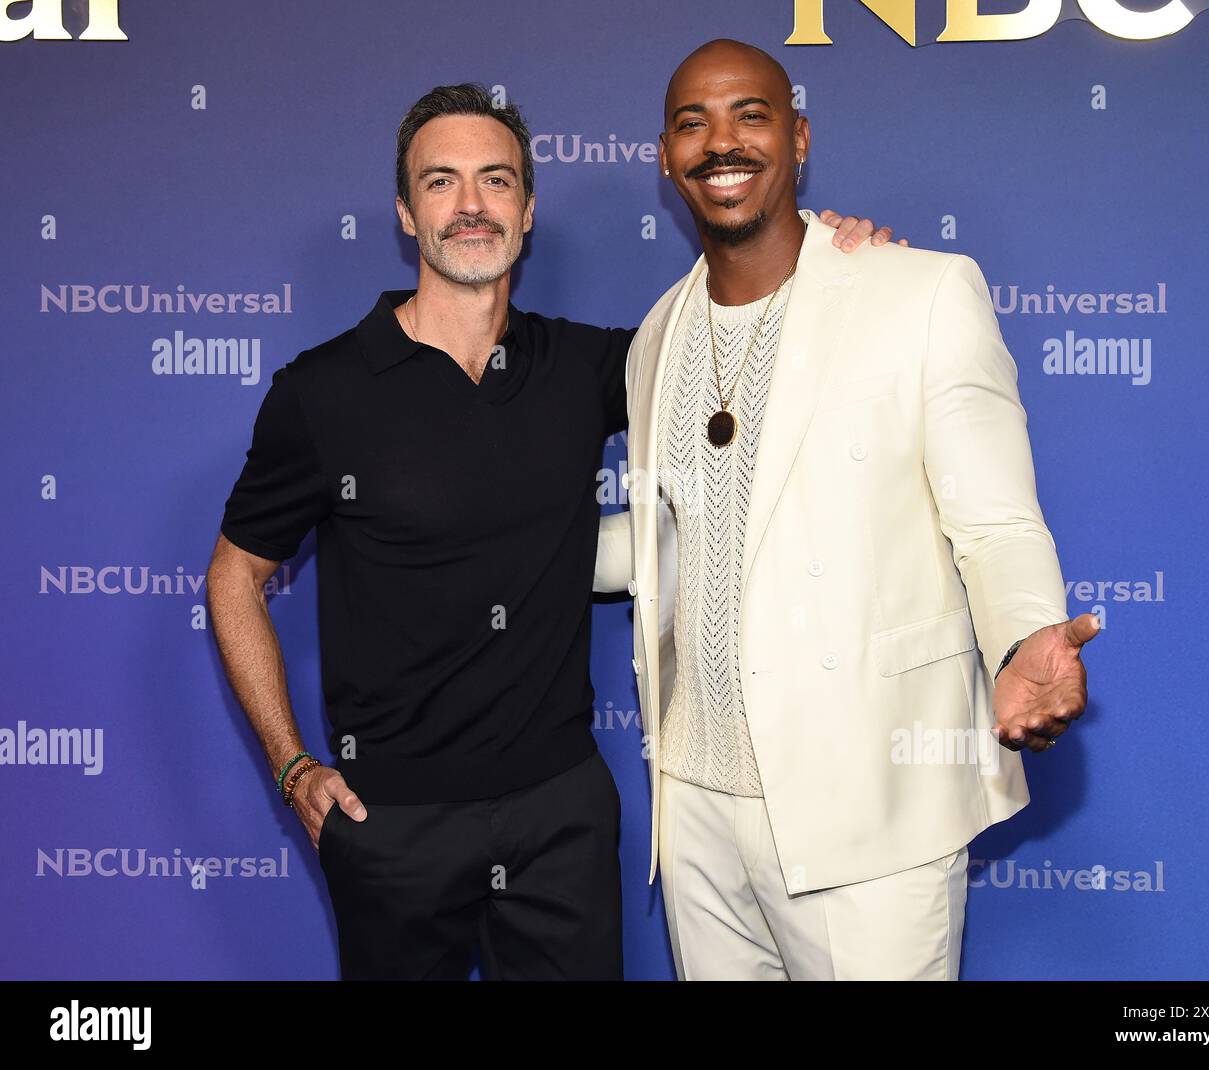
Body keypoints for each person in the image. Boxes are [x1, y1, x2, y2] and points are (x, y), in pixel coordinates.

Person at [206, 81, 893, 981]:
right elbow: (233, 575)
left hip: (561, 815)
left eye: (495, 181)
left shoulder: (592, 365)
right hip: (389, 824)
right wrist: (295, 769)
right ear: (406, 215)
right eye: (441, 182)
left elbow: (742, 334)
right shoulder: (322, 392)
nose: (470, 206)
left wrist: (832, 257)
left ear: (526, 210)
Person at [594, 39, 1099, 981]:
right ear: (664, 157)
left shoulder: (919, 291)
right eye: (692, 122)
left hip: (869, 804)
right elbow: (676, 543)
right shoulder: (654, 337)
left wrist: (1025, 634)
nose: (722, 142)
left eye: (750, 113)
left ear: (799, 136)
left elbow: (993, 520)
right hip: (695, 815)